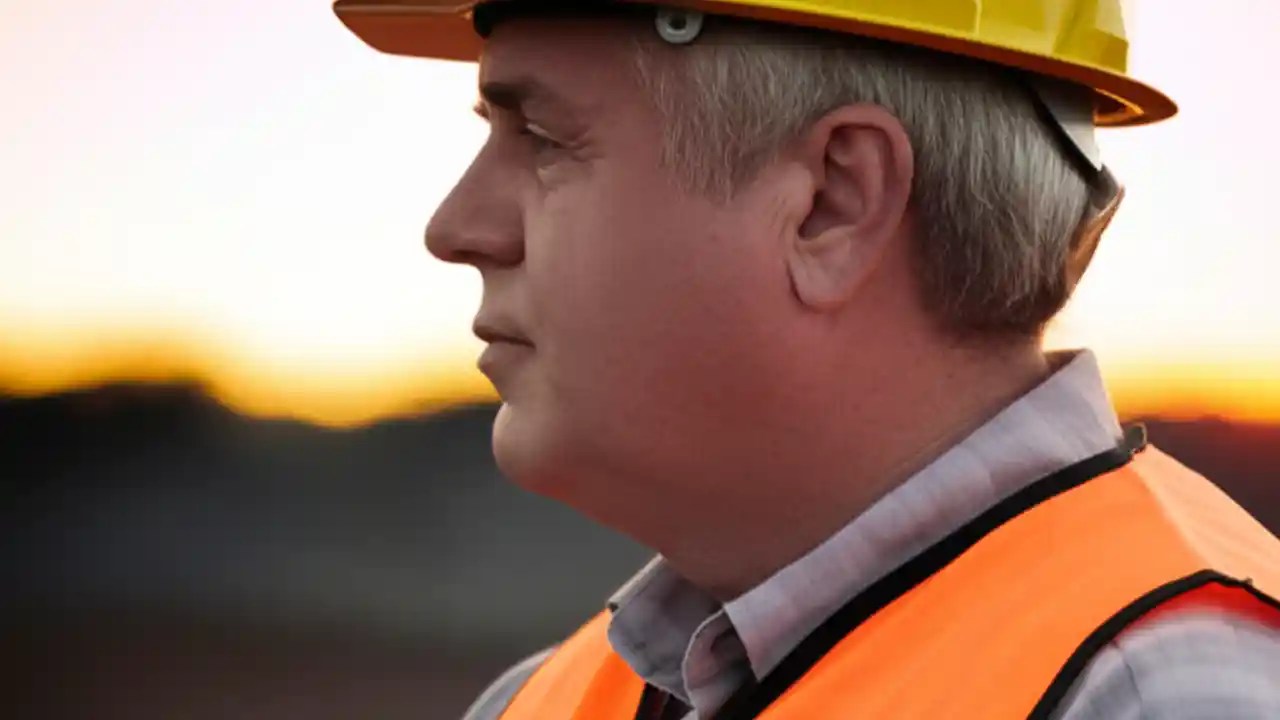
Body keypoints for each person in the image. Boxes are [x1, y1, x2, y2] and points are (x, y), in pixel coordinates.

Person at [334, 1, 1280, 717]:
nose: (455, 229)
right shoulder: (544, 700)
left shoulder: (1173, 695)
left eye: (543, 140)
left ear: (833, 200)